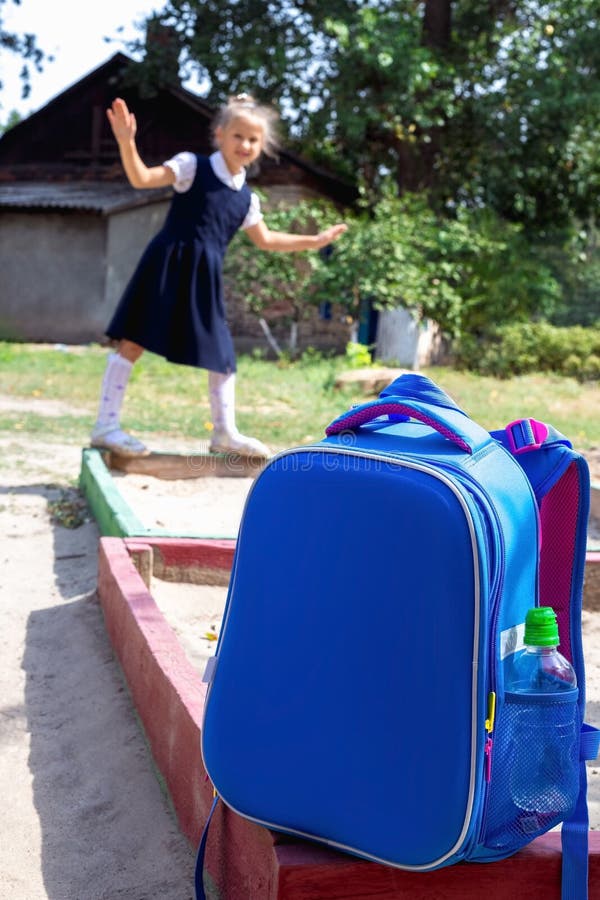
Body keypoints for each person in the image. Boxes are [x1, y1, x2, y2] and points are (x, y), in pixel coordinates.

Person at [91, 94, 348, 459]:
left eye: (254, 139)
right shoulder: (191, 166)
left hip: (205, 277)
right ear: (220, 134)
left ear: (262, 146)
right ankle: (106, 426)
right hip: (168, 263)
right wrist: (126, 141)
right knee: (132, 342)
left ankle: (225, 433)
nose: (245, 145)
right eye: (238, 136)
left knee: (223, 356)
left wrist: (314, 240)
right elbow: (142, 177)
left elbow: (267, 239)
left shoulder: (246, 199)